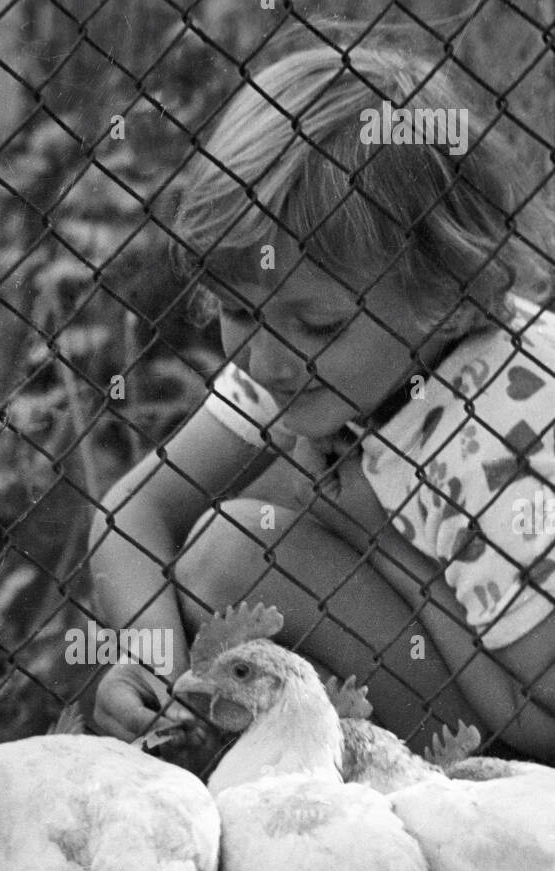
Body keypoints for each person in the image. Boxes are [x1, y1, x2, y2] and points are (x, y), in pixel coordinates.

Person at [90, 43, 555, 758]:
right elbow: (134, 514)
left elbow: (543, 723)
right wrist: (153, 668)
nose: (267, 359)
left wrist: (379, 538)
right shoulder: (302, 344)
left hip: (524, 748)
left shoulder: (499, 425)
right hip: (459, 675)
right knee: (225, 559)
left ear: (446, 299)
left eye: (319, 324)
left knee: (235, 555)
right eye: (239, 311)